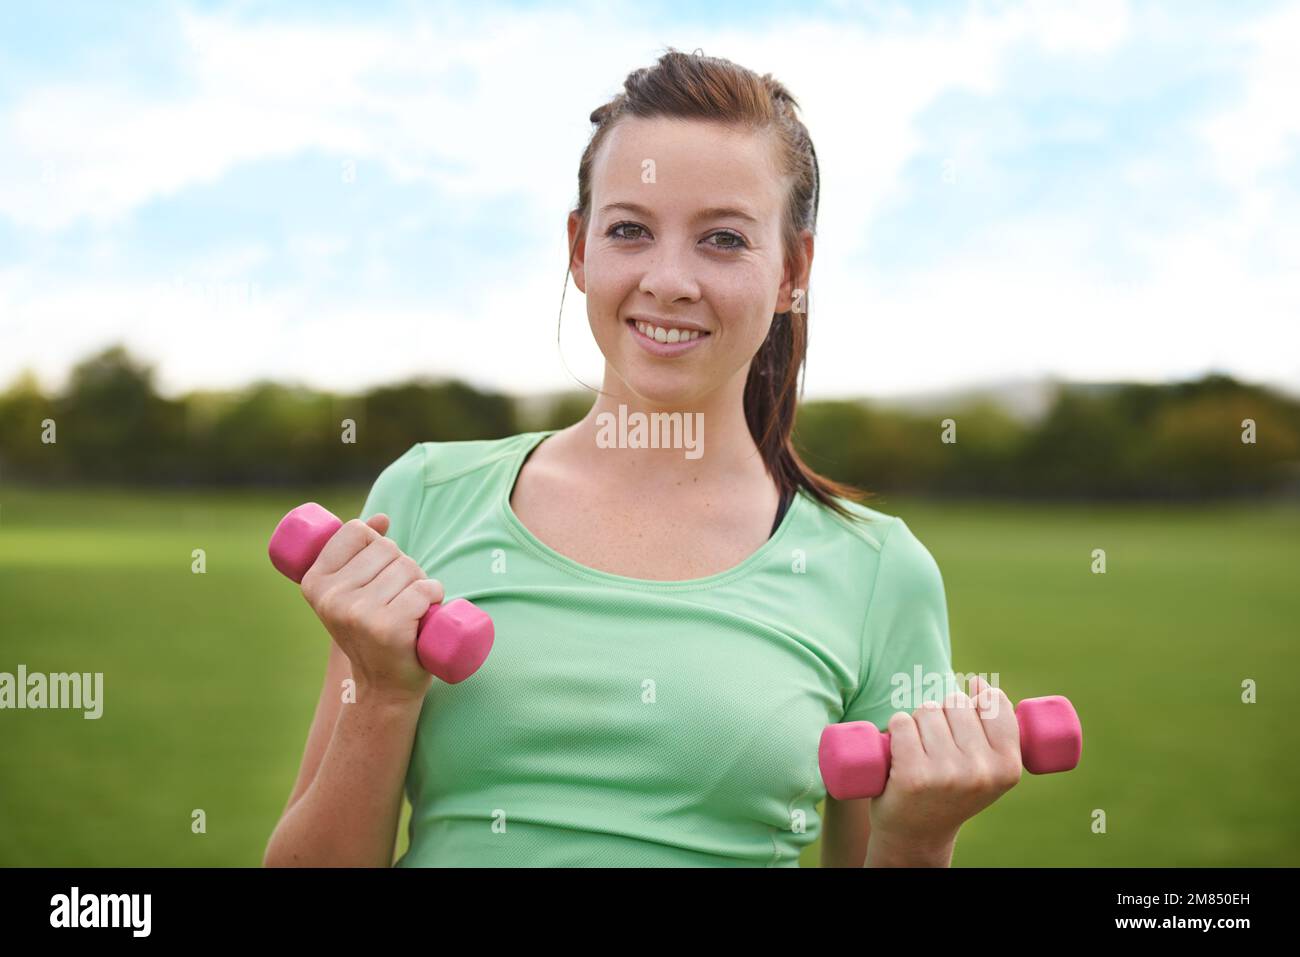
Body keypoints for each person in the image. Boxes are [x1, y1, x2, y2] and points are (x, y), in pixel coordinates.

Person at [263, 47, 1022, 869]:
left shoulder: (879, 572)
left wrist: (917, 835)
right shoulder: (422, 497)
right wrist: (380, 695)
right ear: (580, 249)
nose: (668, 280)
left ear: (792, 271)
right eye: (630, 230)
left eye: (723, 240)